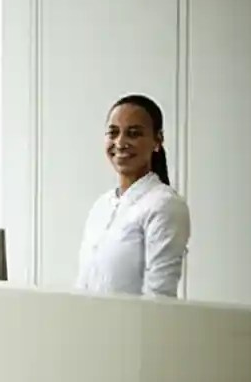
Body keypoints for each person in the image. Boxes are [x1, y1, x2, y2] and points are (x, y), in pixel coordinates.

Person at [75, 94, 191, 298]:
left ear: (157, 140)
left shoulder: (164, 205)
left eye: (134, 134)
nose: (120, 143)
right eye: (113, 133)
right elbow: (83, 286)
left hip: (132, 320)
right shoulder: (101, 206)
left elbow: (159, 297)